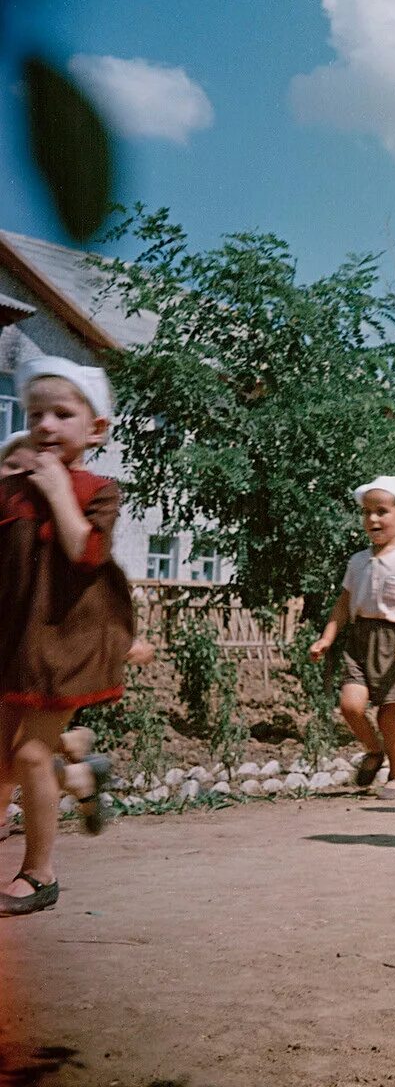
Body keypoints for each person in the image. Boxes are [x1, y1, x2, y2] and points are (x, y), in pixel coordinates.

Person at [0, 358, 135, 915]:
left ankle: (40, 874)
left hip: (70, 640)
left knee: (31, 753)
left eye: (62, 413)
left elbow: (86, 553)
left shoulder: (98, 489)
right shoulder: (10, 489)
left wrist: (57, 490)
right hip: (16, 639)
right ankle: (77, 773)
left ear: (95, 428)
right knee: (2, 756)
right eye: (36, 414)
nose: (46, 425)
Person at [309, 475, 395, 800]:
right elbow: (342, 606)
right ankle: (373, 749)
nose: (373, 519)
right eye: (367, 512)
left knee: (387, 714)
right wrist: (326, 638)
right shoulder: (357, 561)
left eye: (381, 511)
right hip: (359, 640)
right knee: (350, 706)